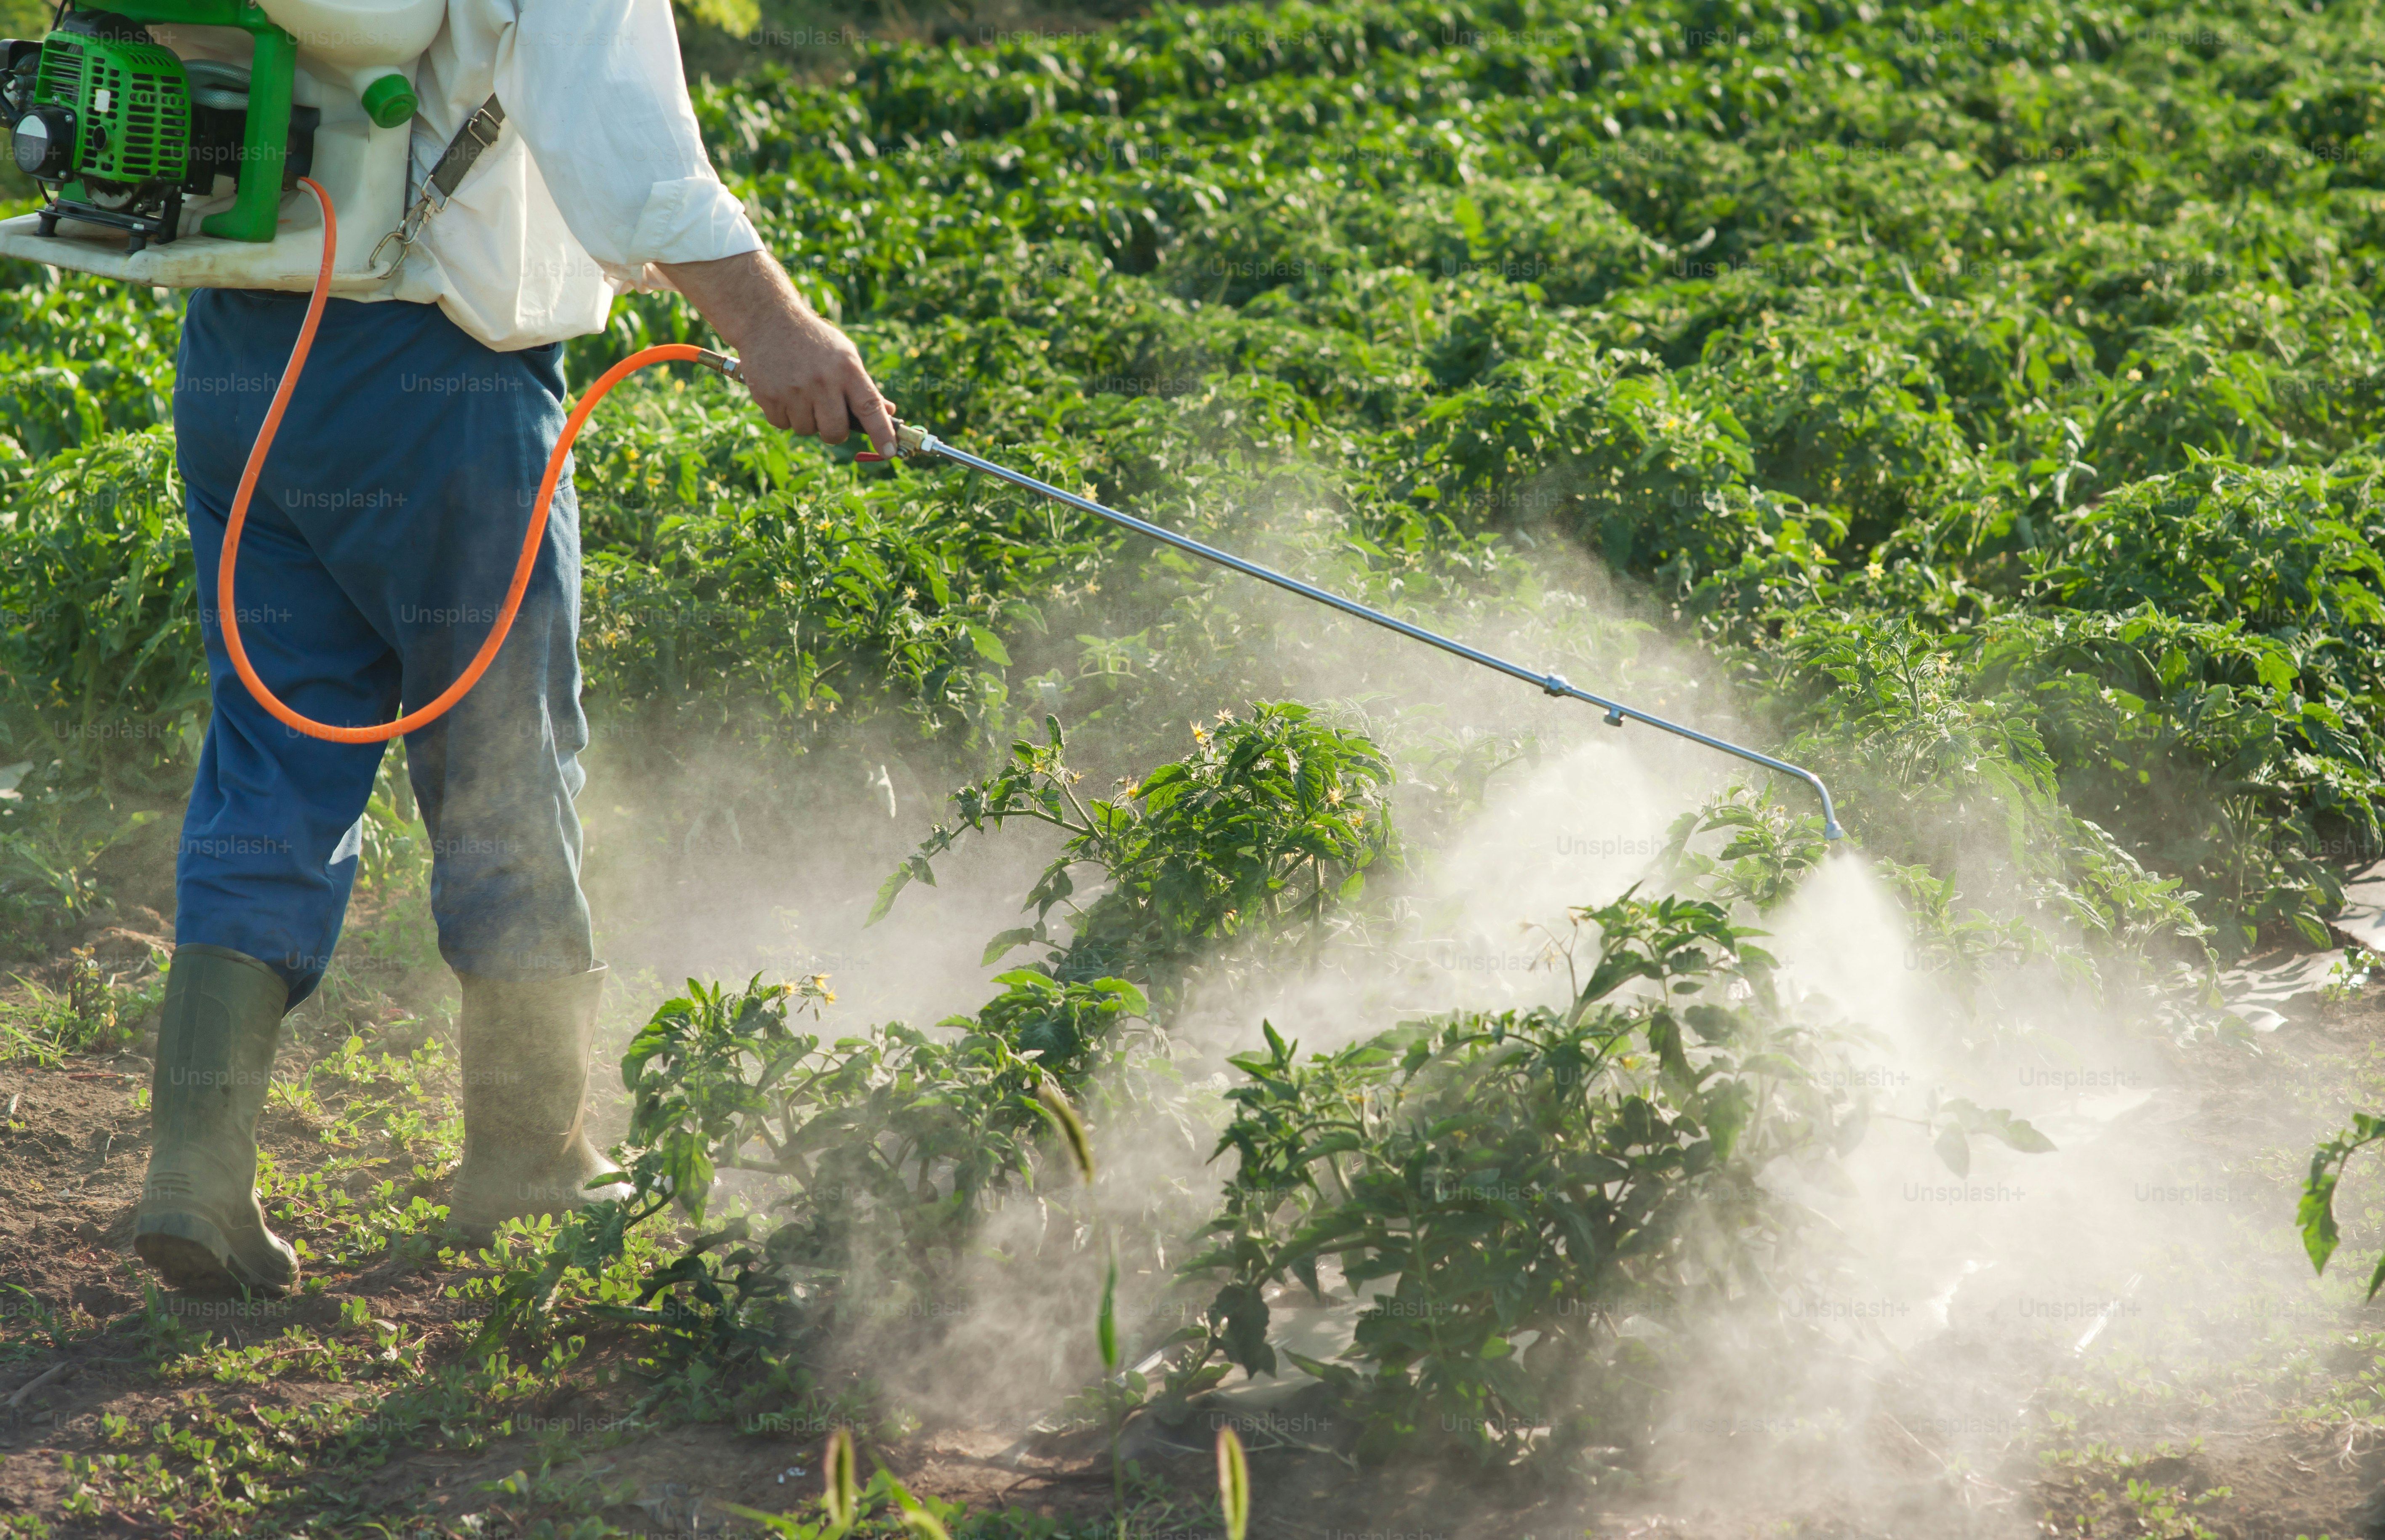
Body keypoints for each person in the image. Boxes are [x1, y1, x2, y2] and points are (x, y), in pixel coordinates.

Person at [138, 0, 894, 1294]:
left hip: (240, 360)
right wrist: (770, 326)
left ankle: (194, 1175)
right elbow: (628, 144)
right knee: (503, 753)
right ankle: (530, 1155)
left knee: (270, 754)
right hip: (432, 385)